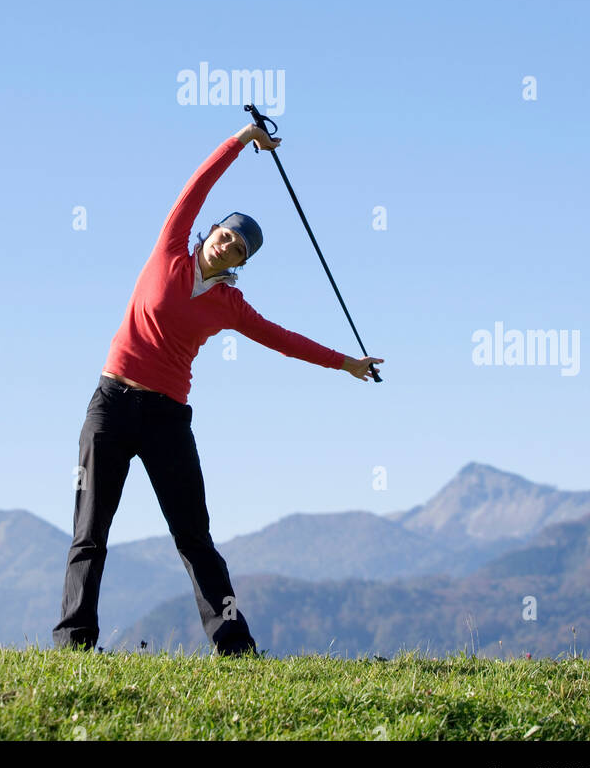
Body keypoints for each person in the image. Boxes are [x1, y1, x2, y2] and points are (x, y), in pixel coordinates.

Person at [52, 121, 384, 657]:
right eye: (225, 234)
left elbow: (284, 340)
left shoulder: (229, 306)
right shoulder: (170, 251)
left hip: (167, 418)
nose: (227, 245)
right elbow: (197, 185)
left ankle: (234, 647)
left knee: (194, 538)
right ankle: (73, 641)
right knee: (90, 531)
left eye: (238, 248)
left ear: (240, 263)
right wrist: (241, 140)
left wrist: (345, 363)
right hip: (111, 405)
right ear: (211, 233)